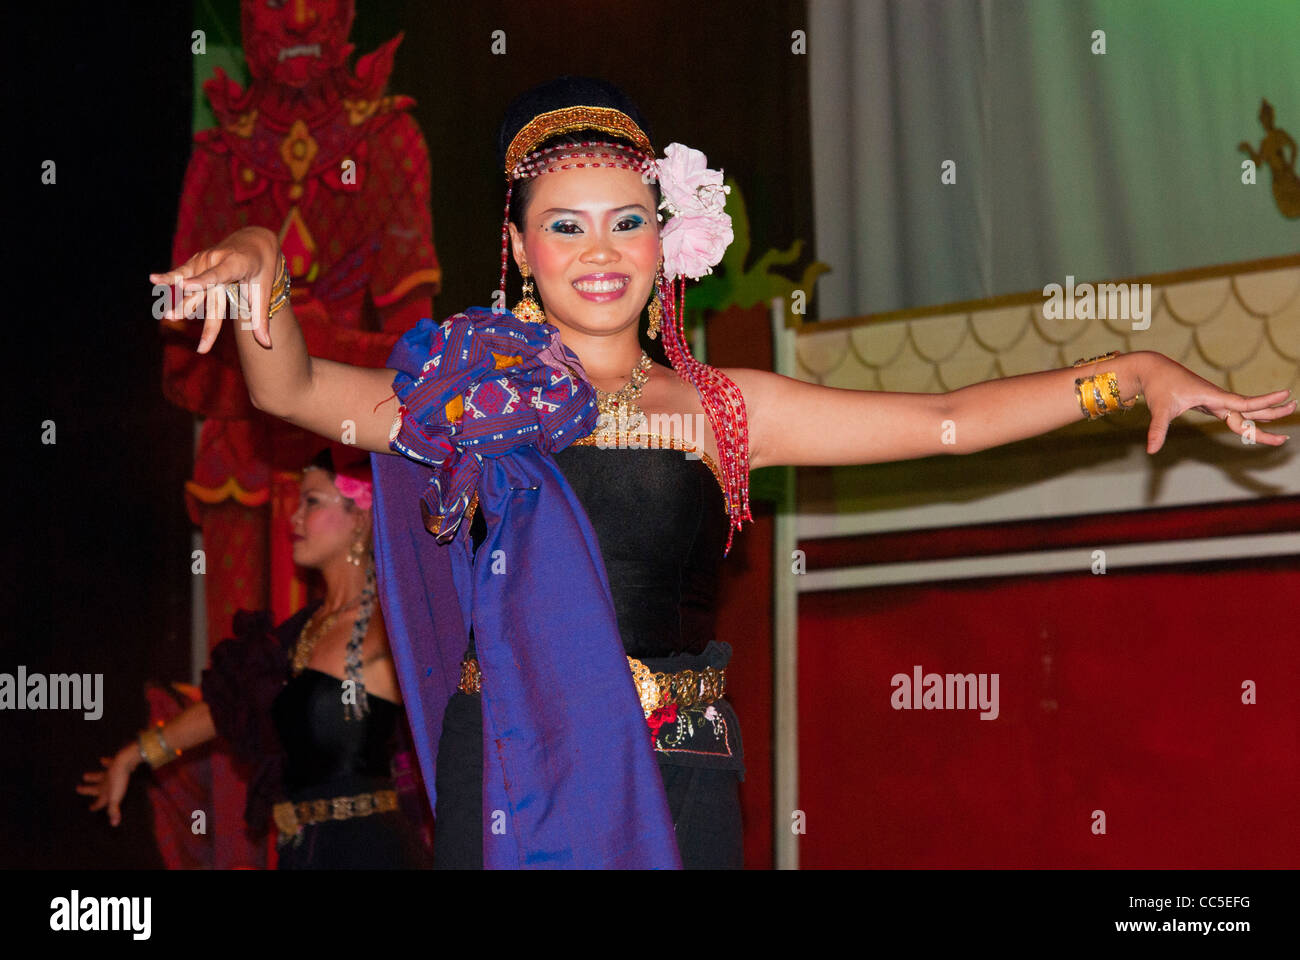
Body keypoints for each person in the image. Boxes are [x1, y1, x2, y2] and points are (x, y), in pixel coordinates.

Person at [147, 76, 1294, 869]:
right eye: (566, 227)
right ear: (520, 248)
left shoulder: (727, 409)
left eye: (626, 220)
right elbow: (289, 390)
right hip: (515, 758)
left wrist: (1133, 373)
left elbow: (946, 418)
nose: (600, 252)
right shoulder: (461, 396)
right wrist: (257, 260)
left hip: (679, 759)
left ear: (668, 234)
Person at [79, 450, 432, 869]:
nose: (295, 519)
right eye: (298, 503)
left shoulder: (388, 624)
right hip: (300, 852)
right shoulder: (299, 631)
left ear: (359, 518)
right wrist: (132, 756)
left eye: (312, 502)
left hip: (368, 854)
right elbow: (228, 708)